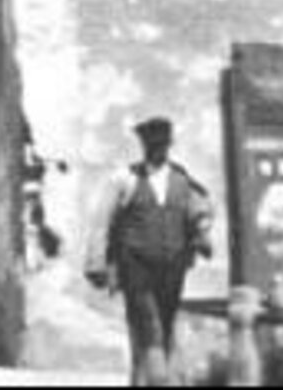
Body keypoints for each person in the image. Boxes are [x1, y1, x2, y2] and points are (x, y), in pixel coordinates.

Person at [86, 116, 214, 387]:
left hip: (173, 265)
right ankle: (158, 380)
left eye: (162, 145)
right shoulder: (126, 179)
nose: (157, 150)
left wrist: (202, 232)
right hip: (136, 264)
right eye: (151, 144)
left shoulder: (182, 179)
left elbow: (199, 210)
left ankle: (141, 378)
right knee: (149, 322)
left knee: (163, 325)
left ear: (168, 146)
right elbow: (102, 220)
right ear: (143, 145)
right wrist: (96, 262)